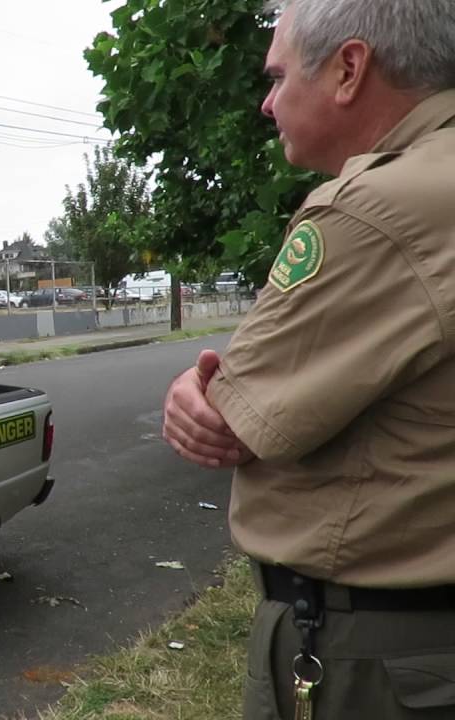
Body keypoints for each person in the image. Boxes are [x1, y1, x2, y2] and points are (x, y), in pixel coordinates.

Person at [162, 2, 455, 718]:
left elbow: (231, 417)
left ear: (349, 69)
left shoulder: (375, 209)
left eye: (278, 76)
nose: (267, 103)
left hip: (377, 656)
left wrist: (197, 389)